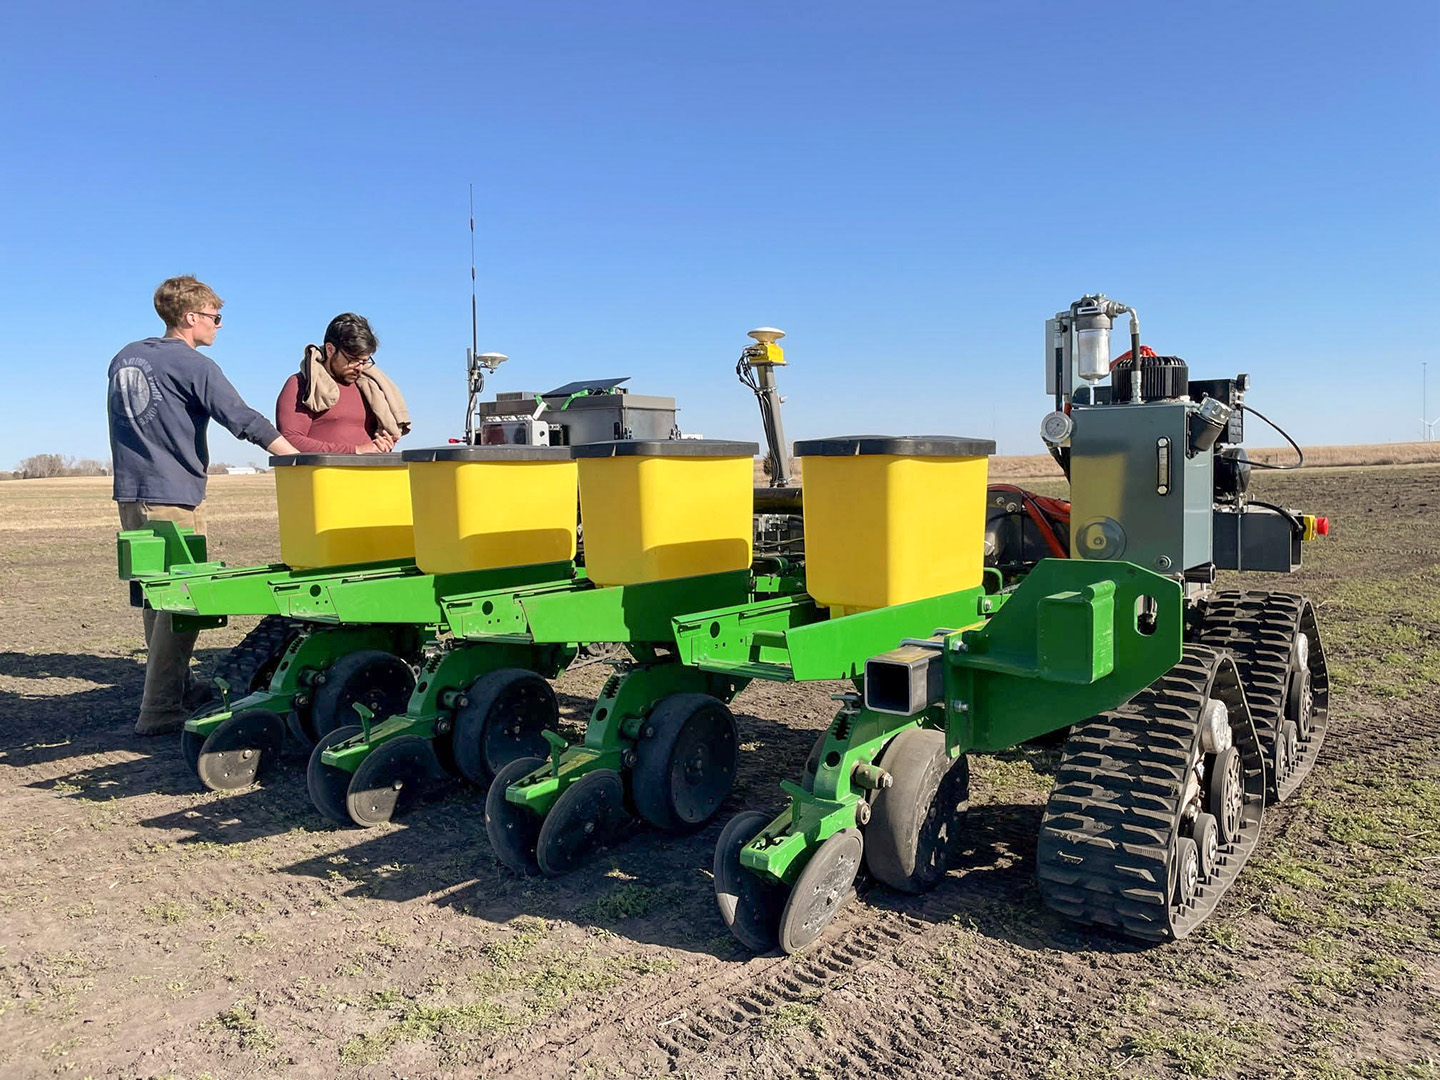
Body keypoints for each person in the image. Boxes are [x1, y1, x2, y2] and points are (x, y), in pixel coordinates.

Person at [107, 276, 299, 736]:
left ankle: (178, 687)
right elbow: (242, 418)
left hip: (131, 493)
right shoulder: (195, 364)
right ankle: (159, 711)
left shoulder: (125, 357)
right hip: (172, 497)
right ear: (190, 317)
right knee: (183, 604)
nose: (218, 325)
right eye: (215, 316)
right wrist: (296, 457)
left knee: (155, 598)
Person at [274, 313, 410, 453]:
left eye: (364, 361)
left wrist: (383, 443)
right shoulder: (302, 384)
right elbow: (290, 439)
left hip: (369, 472)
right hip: (322, 473)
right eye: (352, 360)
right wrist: (355, 451)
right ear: (330, 349)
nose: (359, 368)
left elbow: (374, 441)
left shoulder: (371, 388)